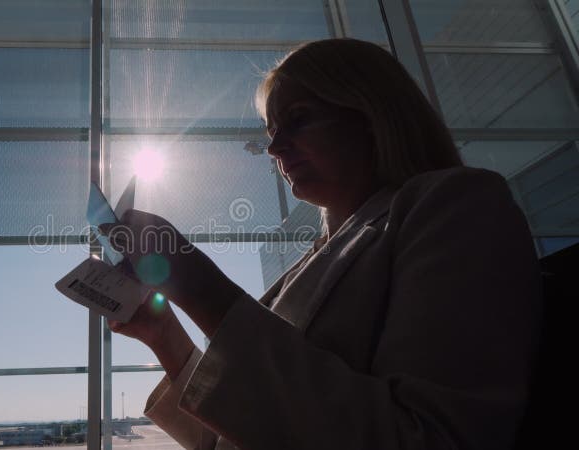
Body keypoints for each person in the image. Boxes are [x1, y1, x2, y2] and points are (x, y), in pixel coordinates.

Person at [100, 39, 542, 449]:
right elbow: (236, 434)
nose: (274, 147)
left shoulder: (458, 206)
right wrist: (165, 336)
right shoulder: (311, 261)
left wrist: (204, 290)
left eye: (298, 119)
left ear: (372, 114)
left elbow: (428, 436)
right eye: (273, 129)